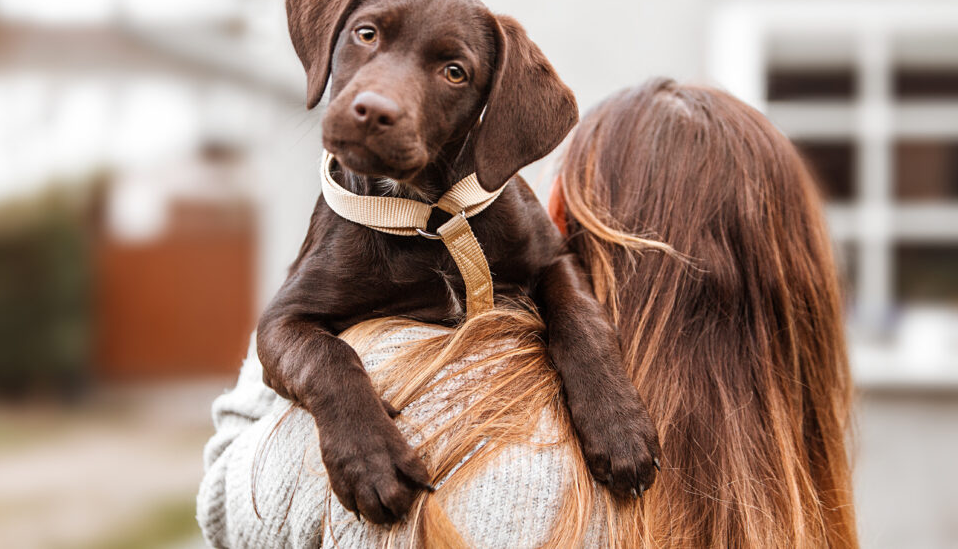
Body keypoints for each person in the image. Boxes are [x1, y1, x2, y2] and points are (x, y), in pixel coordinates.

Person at [197, 78, 859, 548]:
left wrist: (298, 310)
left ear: (564, 217)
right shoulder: (791, 504)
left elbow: (228, 500)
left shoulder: (419, 399)